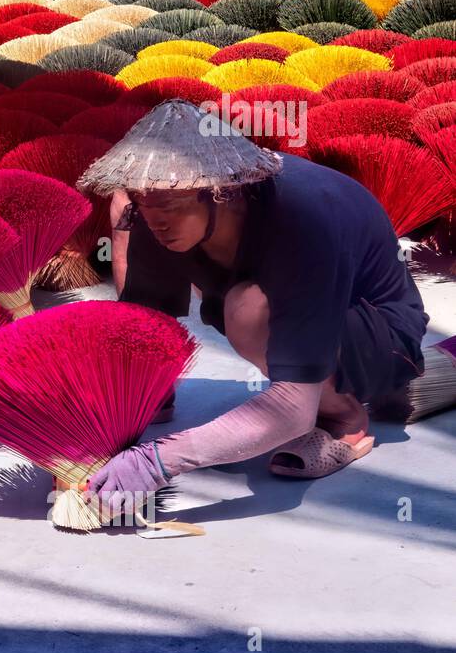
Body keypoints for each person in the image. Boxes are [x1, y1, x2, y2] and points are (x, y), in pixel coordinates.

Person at [77, 100, 431, 519]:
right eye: (146, 201)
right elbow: (143, 313)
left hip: (378, 334)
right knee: (126, 216)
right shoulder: (153, 213)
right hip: (290, 310)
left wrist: (158, 461)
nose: (158, 220)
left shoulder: (302, 219)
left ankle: (344, 416)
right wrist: (130, 397)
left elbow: (291, 410)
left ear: (219, 192)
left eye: (171, 204)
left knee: (247, 309)